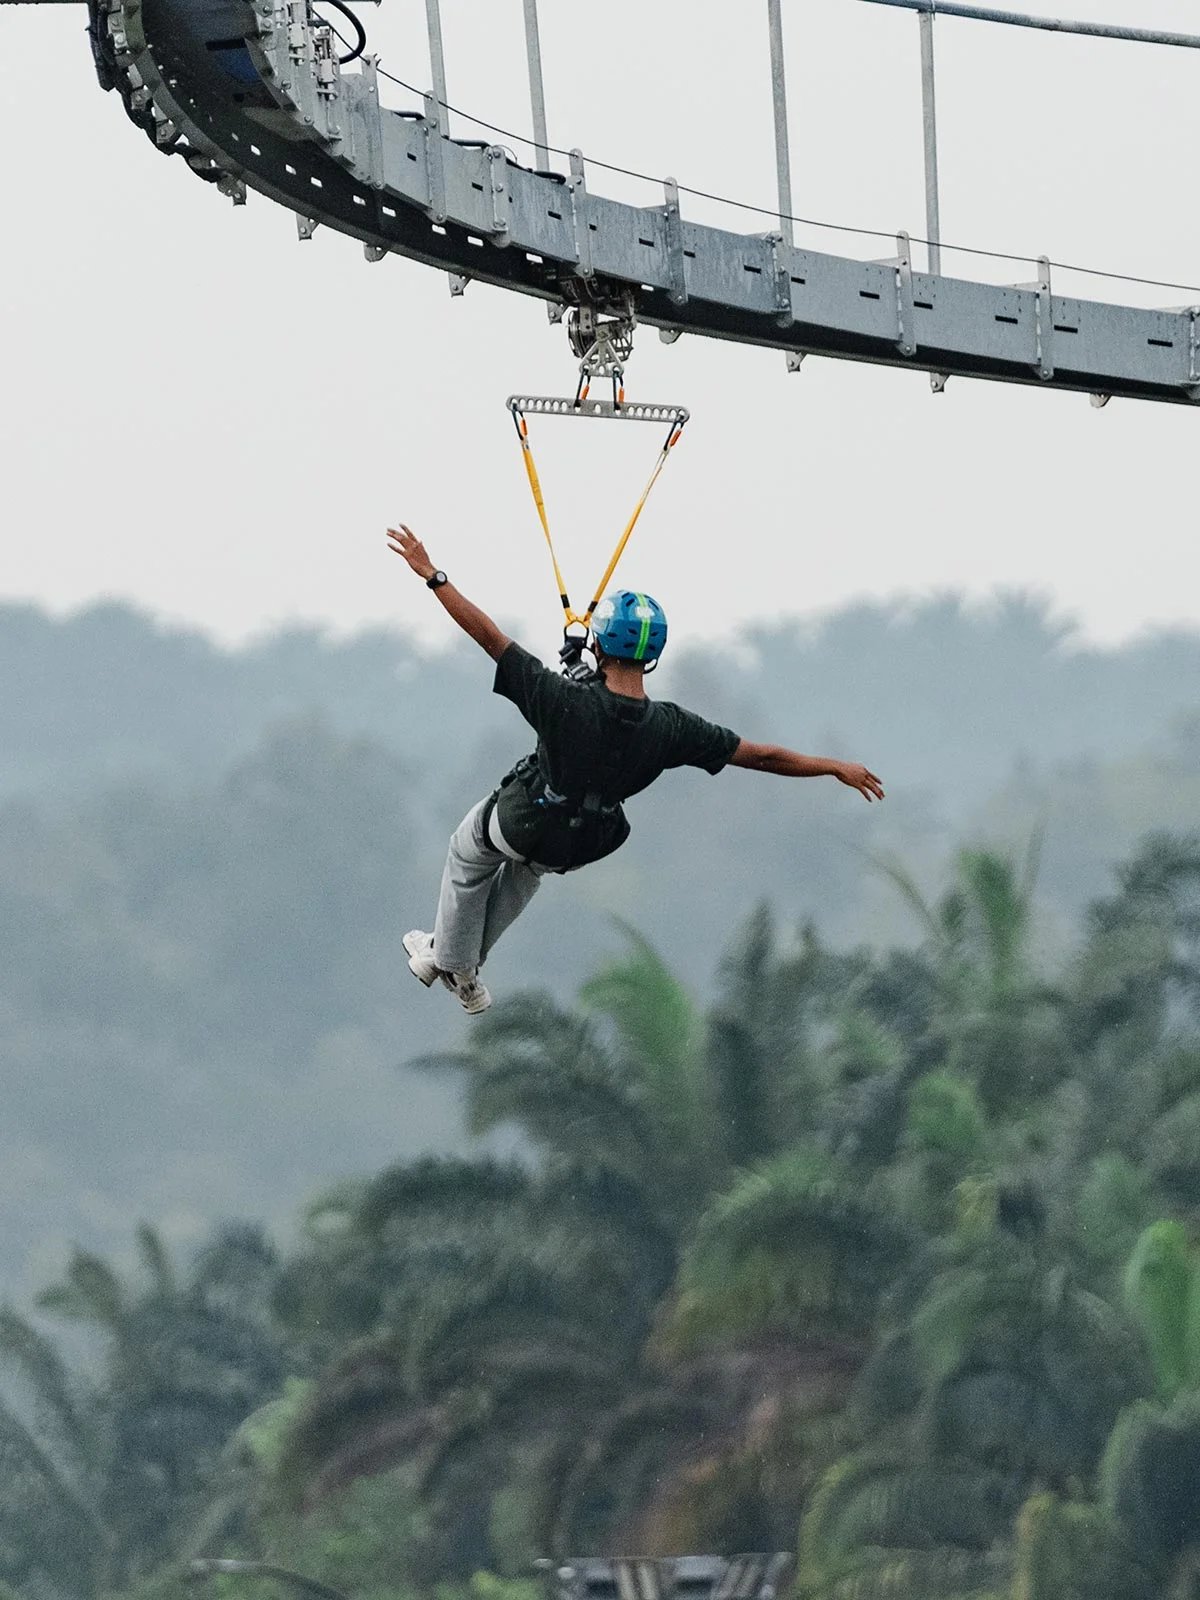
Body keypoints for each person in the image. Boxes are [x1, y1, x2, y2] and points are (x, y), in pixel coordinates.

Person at [387, 524, 885, 1014]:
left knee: (468, 851)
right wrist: (832, 766)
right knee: (526, 872)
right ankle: (450, 961)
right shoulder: (672, 727)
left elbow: (488, 636)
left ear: (599, 644)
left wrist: (433, 576)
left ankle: (454, 963)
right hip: (583, 843)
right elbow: (760, 756)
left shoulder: (559, 699)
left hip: (527, 818)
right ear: (652, 657)